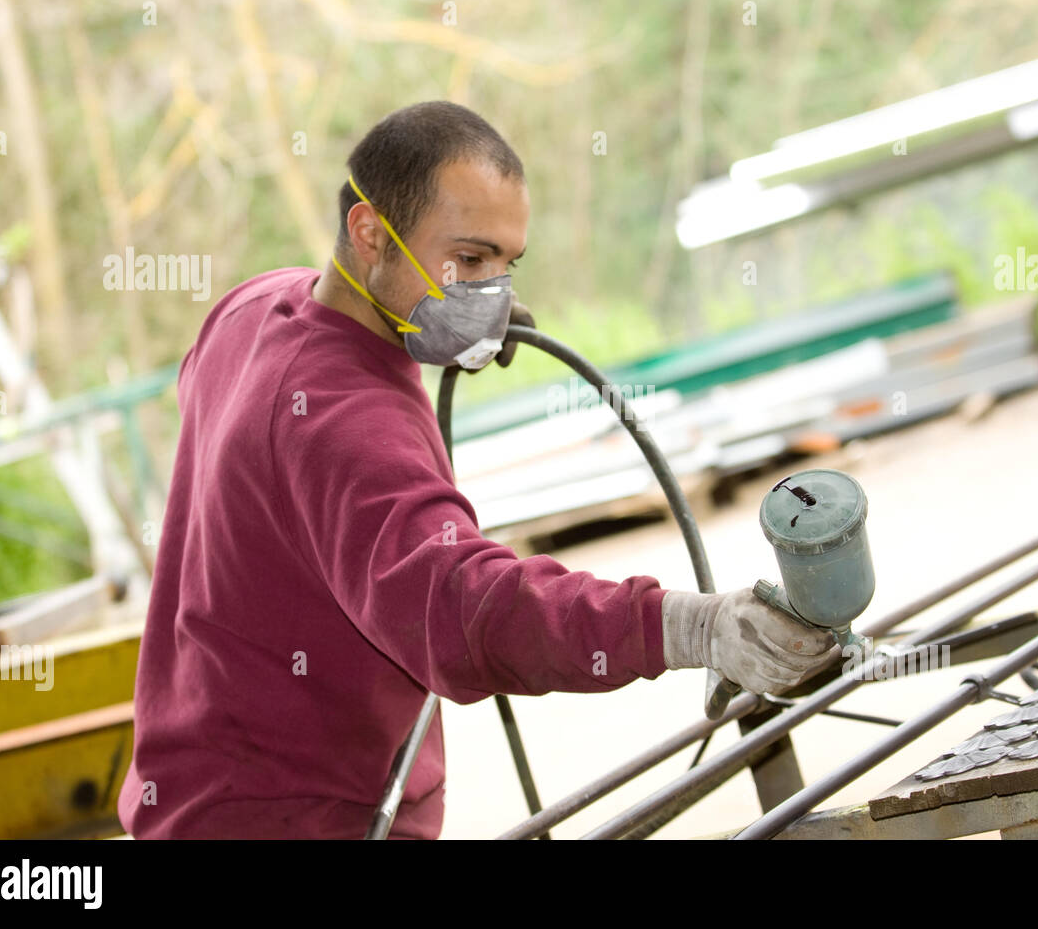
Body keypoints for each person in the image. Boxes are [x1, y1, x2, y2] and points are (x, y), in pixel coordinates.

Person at [117, 100, 841, 839]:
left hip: (193, 792)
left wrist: (437, 326)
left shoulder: (253, 309)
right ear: (370, 234)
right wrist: (691, 627)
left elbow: (228, 398)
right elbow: (464, 608)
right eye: (467, 260)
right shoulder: (343, 422)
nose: (488, 291)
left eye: (504, 265)